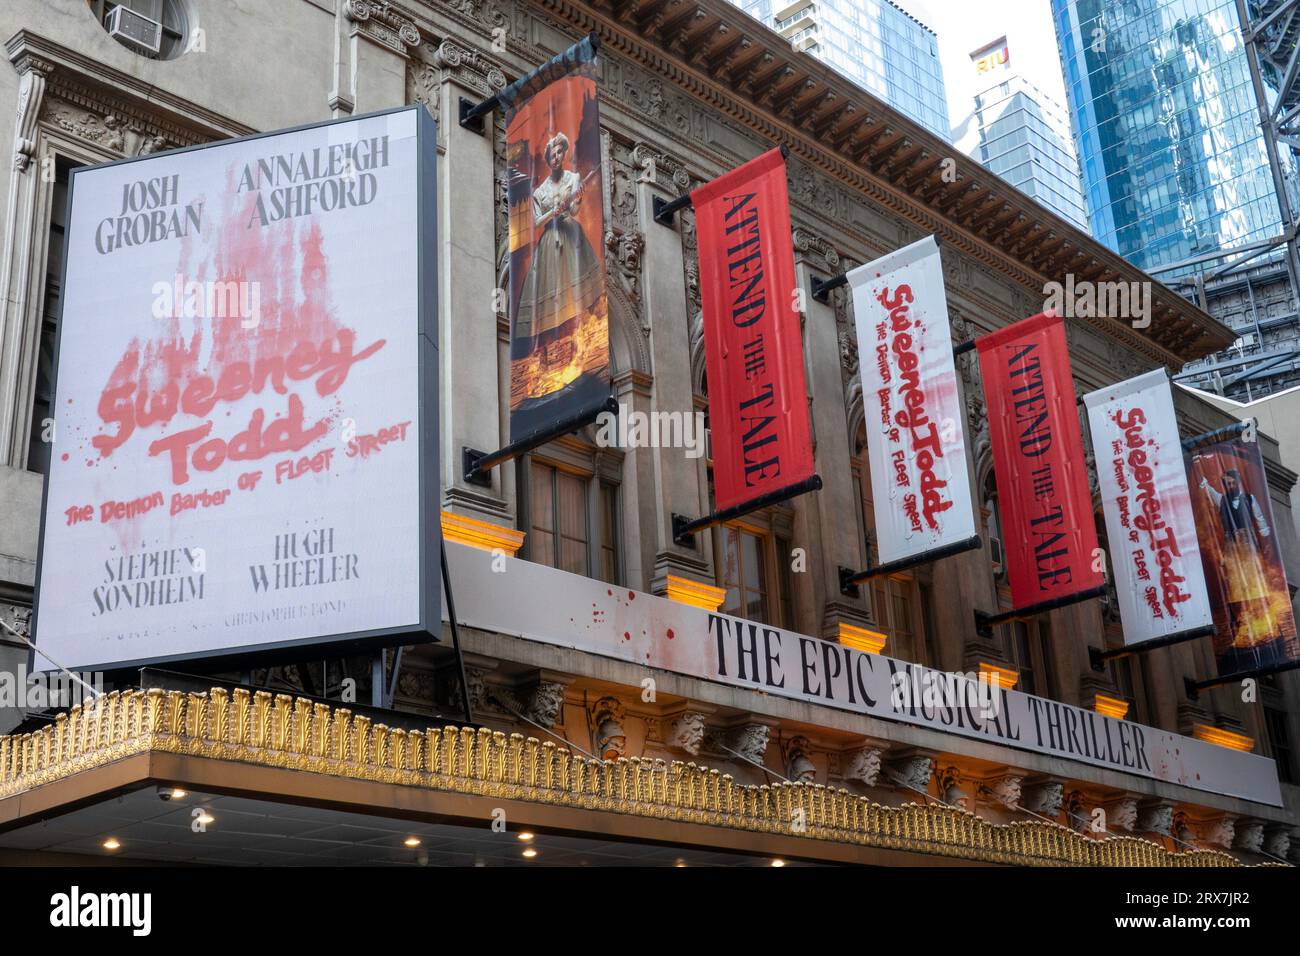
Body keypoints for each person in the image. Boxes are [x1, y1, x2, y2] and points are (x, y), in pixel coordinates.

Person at [513, 131, 602, 372]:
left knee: (576, 290)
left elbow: (573, 211)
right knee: (550, 292)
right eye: (552, 154)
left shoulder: (574, 178)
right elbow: (537, 222)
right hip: (551, 239)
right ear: (547, 159)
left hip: (570, 234)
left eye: (559, 152)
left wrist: (577, 201)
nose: (556, 157)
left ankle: (580, 342)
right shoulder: (539, 191)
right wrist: (553, 211)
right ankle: (545, 354)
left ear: (563, 153)